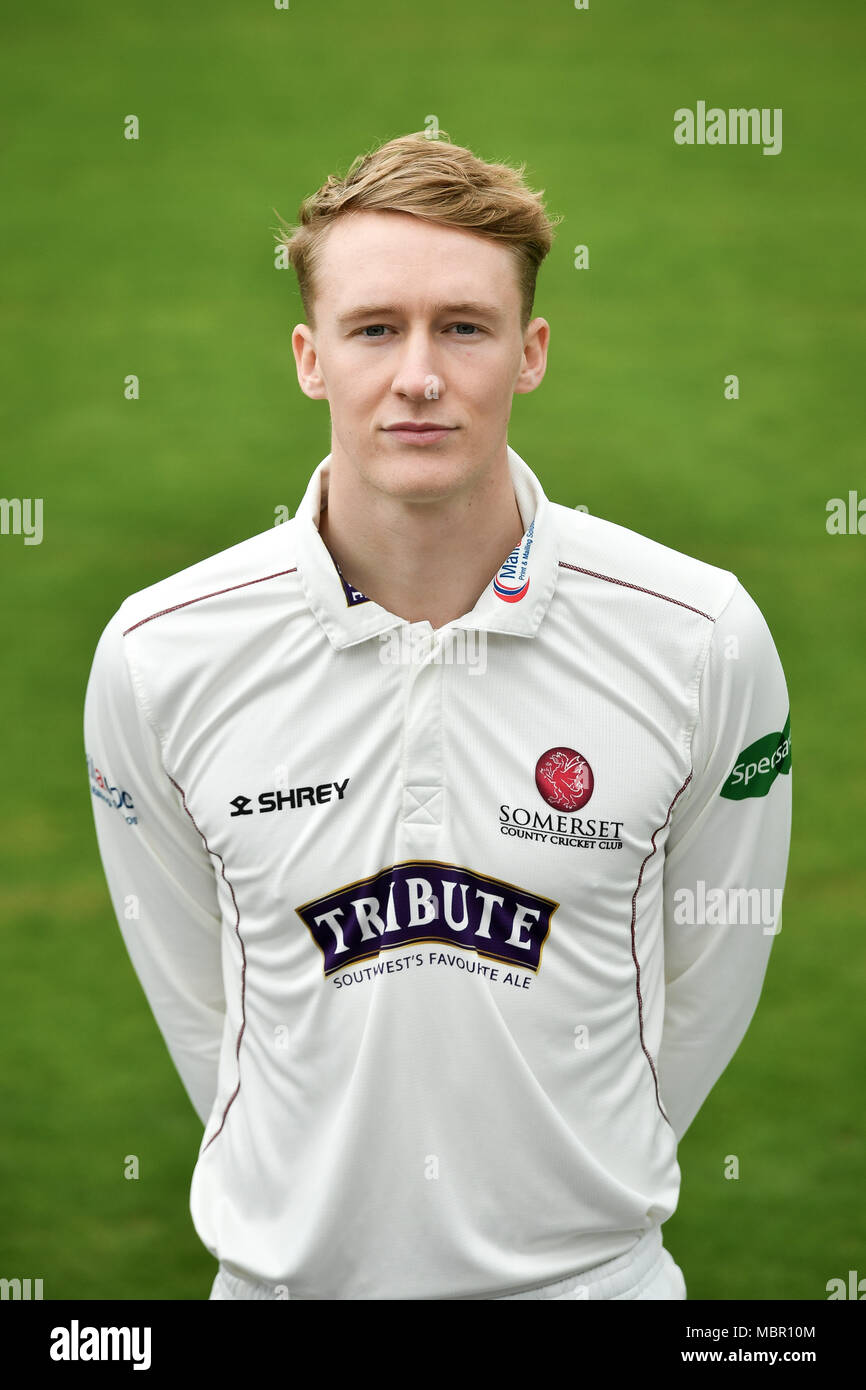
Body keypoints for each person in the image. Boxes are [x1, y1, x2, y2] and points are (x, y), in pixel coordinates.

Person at [84, 131, 792, 1301]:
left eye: (462, 327)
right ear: (310, 357)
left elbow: (715, 964)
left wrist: (579, 1182)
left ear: (531, 351)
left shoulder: (697, 634)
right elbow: (199, 1001)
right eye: (375, 329)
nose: (417, 374)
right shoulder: (160, 653)